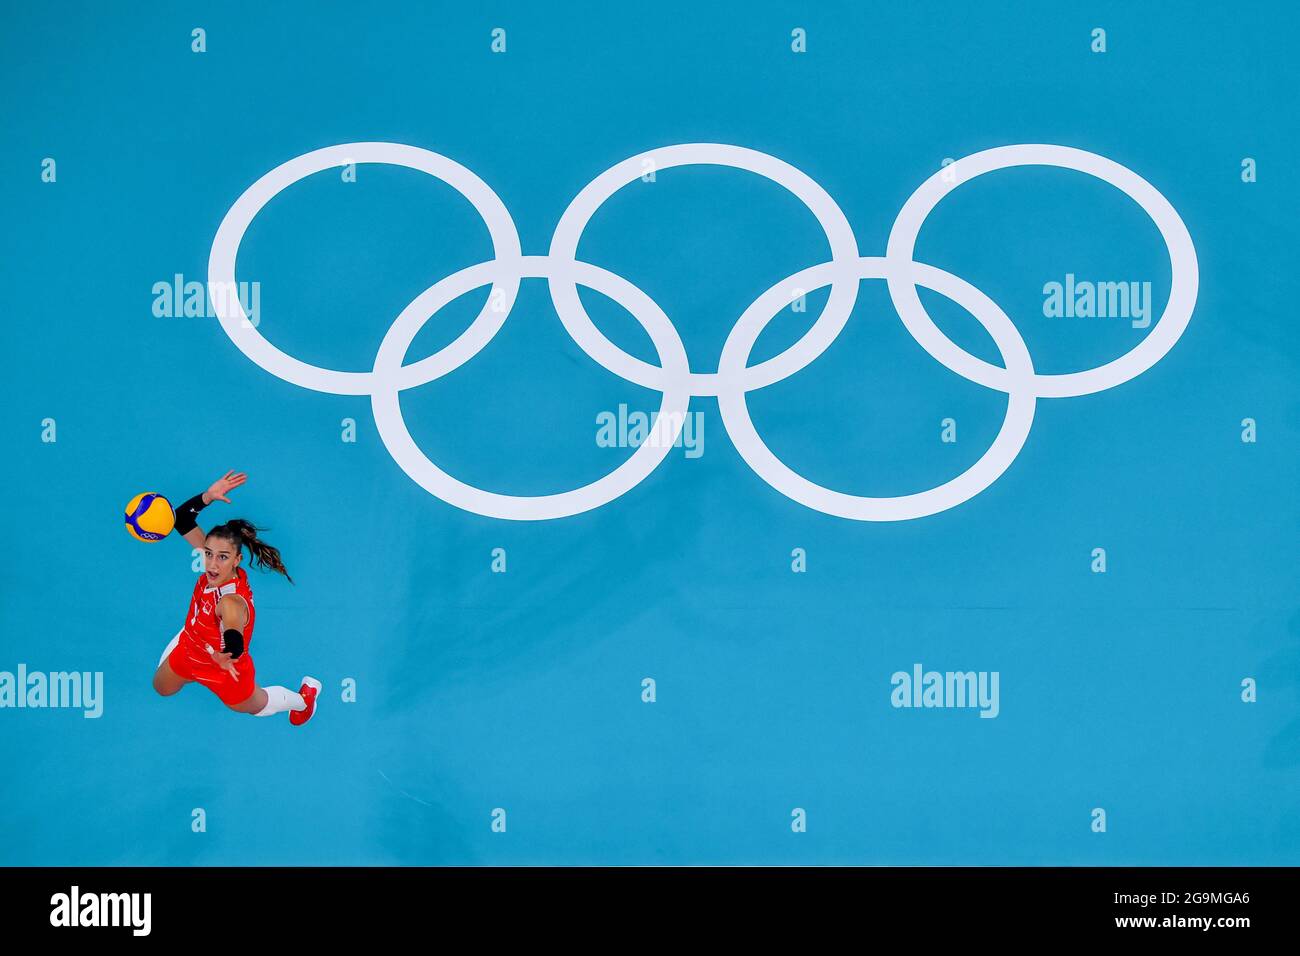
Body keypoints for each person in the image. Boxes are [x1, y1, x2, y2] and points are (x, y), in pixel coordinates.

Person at [151, 470, 320, 725]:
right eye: (208, 554)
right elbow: (182, 519)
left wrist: (225, 655)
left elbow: (233, 633)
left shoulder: (230, 600)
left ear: (237, 560)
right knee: (161, 687)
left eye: (222, 557)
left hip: (224, 670)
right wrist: (207, 496)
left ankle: (305, 700)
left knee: (255, 705)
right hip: (191, 649)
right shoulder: (217, 568)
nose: (212, 564)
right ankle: (191, 631)